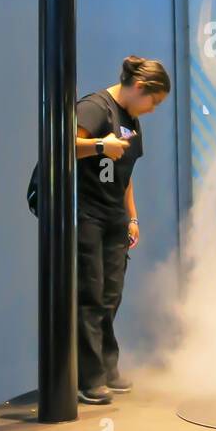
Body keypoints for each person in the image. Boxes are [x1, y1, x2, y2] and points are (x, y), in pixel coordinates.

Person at [75, 55, 171, 404]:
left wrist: (132, 217)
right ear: (140, 88)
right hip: (86, 214)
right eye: (154, 101)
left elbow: (126, 174)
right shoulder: (95, 107)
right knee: (90, 293)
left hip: (115, 215)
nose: (153, 109)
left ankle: (107, 366)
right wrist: (101, 145)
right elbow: (64, 144)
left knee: (111, 294)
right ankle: (89, 377)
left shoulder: (131, 118)